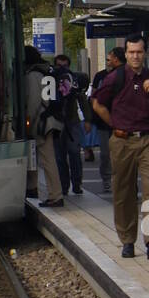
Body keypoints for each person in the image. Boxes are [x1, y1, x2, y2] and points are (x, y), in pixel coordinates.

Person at [91, 35, 149, 259]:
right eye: (131, 52)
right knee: (123, 192)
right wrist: (114, 124)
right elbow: (96, 103)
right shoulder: (116, 78)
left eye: (139, 52)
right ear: (126, 54)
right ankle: (127, 239)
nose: (135, 56)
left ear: (145, 53)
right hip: (122, 141)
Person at [24, 46, 65, 208]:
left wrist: (28, 122)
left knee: (47, 159)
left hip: (42, 122)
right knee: (40, 156)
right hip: (51, 119)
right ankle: (32, 187)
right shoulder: (47, 71)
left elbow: (33, 102)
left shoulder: (33, 75)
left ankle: (55, 195)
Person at [51, 54, 90, 196]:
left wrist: (87, 120)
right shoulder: (50, 79)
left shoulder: (74, 79)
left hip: (72, 121)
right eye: (59, 65)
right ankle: (64, 185)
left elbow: (82, 100)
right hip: (56, 121)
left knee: (74, 153)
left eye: (65, 66)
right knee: (59, 157)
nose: (61, 69)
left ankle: (77, 183)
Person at [88, 46, 125, 193]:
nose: (108, 62)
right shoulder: (100, 76)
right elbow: (94, 96)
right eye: (107, 60)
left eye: (109, 59)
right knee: (105, 153)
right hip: (104, 120)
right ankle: (106, 179)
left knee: (121, 153)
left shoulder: (124, 74)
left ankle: (120, 180)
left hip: (121, 119)